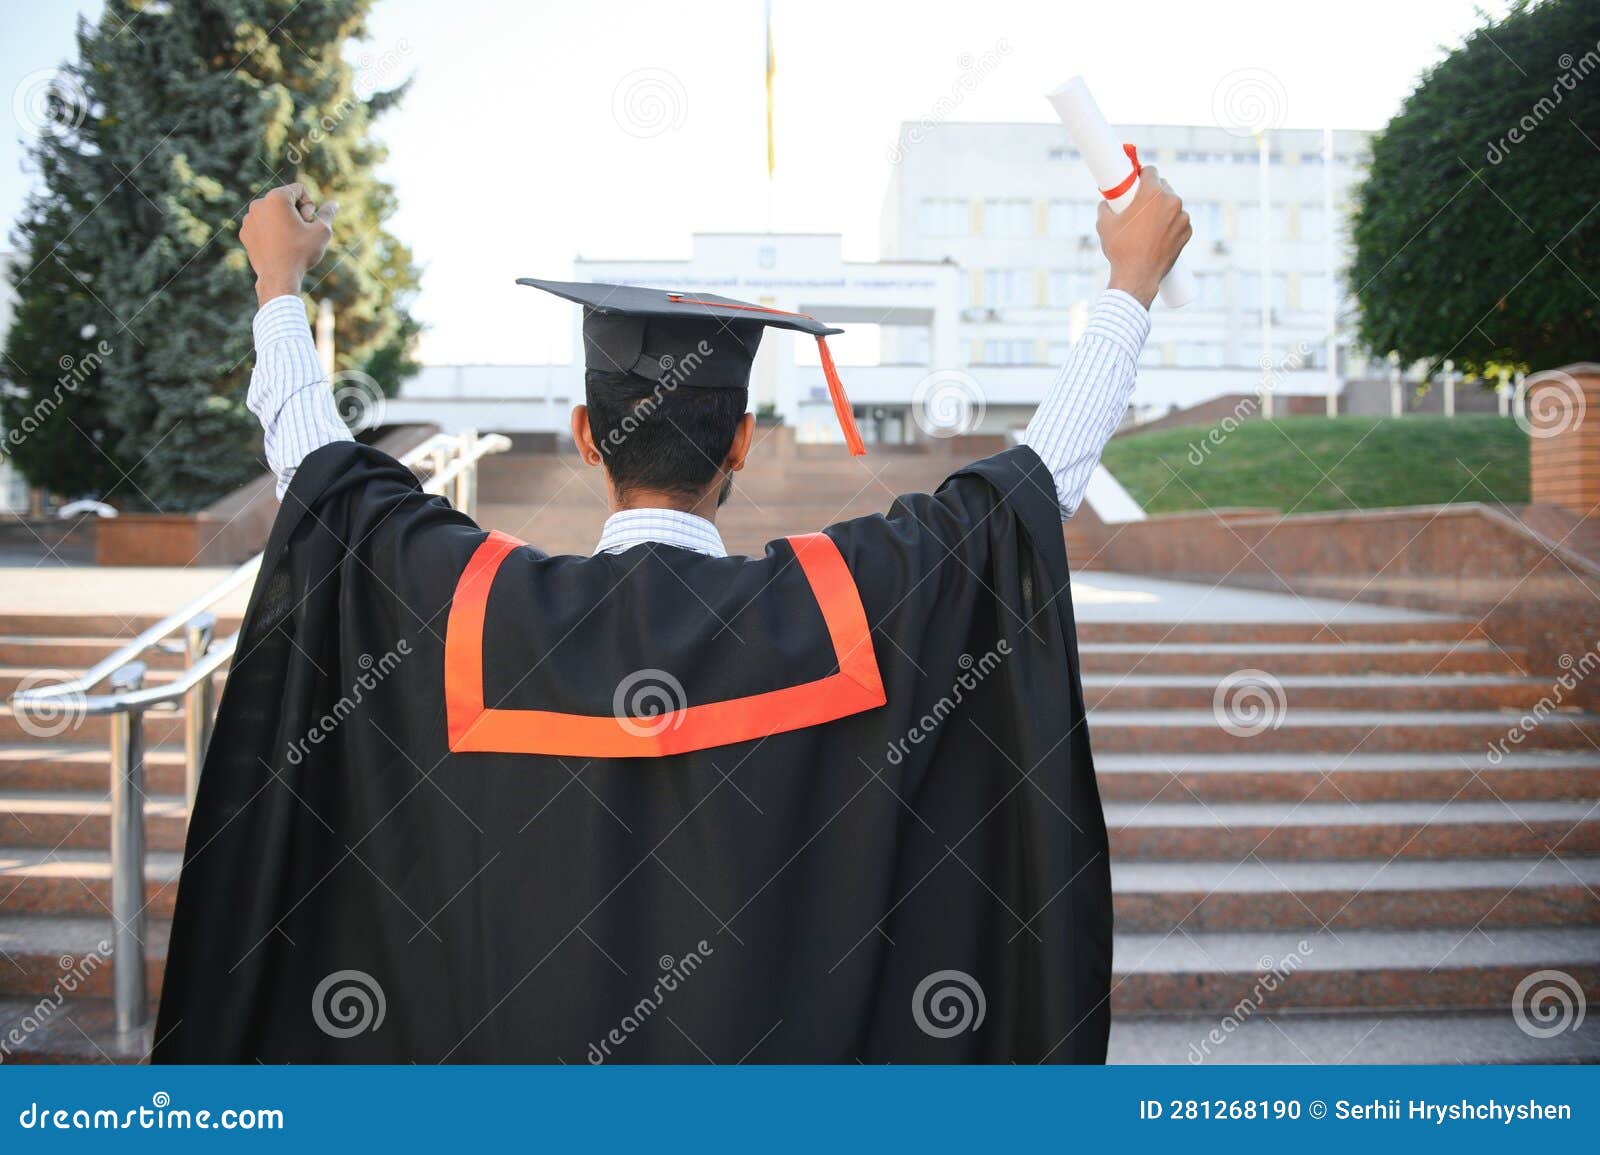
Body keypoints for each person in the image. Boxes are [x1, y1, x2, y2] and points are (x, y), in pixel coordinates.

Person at [153, 176, 1190, 1063]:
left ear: (581, 439)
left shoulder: (472, 608)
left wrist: (278, 285)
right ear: (741, 444)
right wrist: (1130, 280)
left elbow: (320, 477)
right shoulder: (838, 610)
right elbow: (1027, 495)